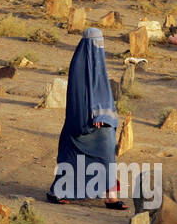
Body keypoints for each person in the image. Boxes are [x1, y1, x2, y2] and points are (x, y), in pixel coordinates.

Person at [47, 28, 126, 208]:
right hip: (84, 121)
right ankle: (56, 192)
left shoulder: (98, 61)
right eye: (96, 41)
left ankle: (111, 196)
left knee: (108, 157)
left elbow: (102, 90)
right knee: (72, 159)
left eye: (101, 41)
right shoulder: (80, 63)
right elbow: (80, 94)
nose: (99, 45)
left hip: (103, 122)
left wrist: (106, 114)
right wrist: (91, 114)